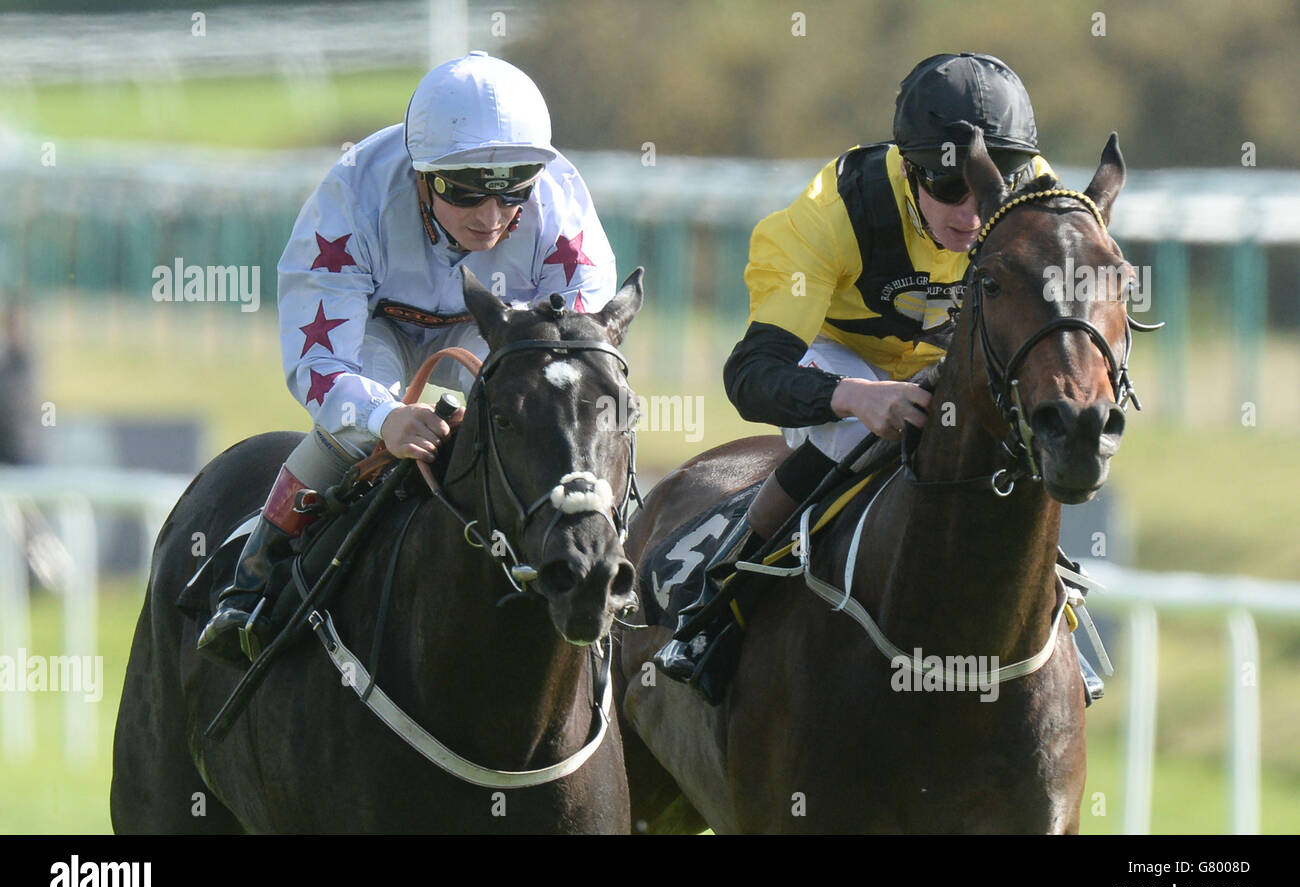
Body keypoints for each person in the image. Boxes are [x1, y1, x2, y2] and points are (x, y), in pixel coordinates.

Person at [657, 53, 1103, 703]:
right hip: (836, 354)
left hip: (945, 358)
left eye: (989, 183)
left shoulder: (1033, 191)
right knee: (851, 438)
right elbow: (752, 376)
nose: (972, 211)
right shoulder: (829, 217)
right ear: (908, 166)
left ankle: (1051, 600)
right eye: (949, 187)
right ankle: (720, 596)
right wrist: (857, 397)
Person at [198, 51, 617, 664]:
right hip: (376, 326)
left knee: (550, 417)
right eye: (466, 191)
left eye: (512, 192)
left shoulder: (560, 205)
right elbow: (321, 363)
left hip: (497, 329)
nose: (491, 216)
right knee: (355, 431)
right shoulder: (352, 199)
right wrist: (382, 417)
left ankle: (603, 564)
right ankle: (254, 578)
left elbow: (578, 351)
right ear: (421, 174)